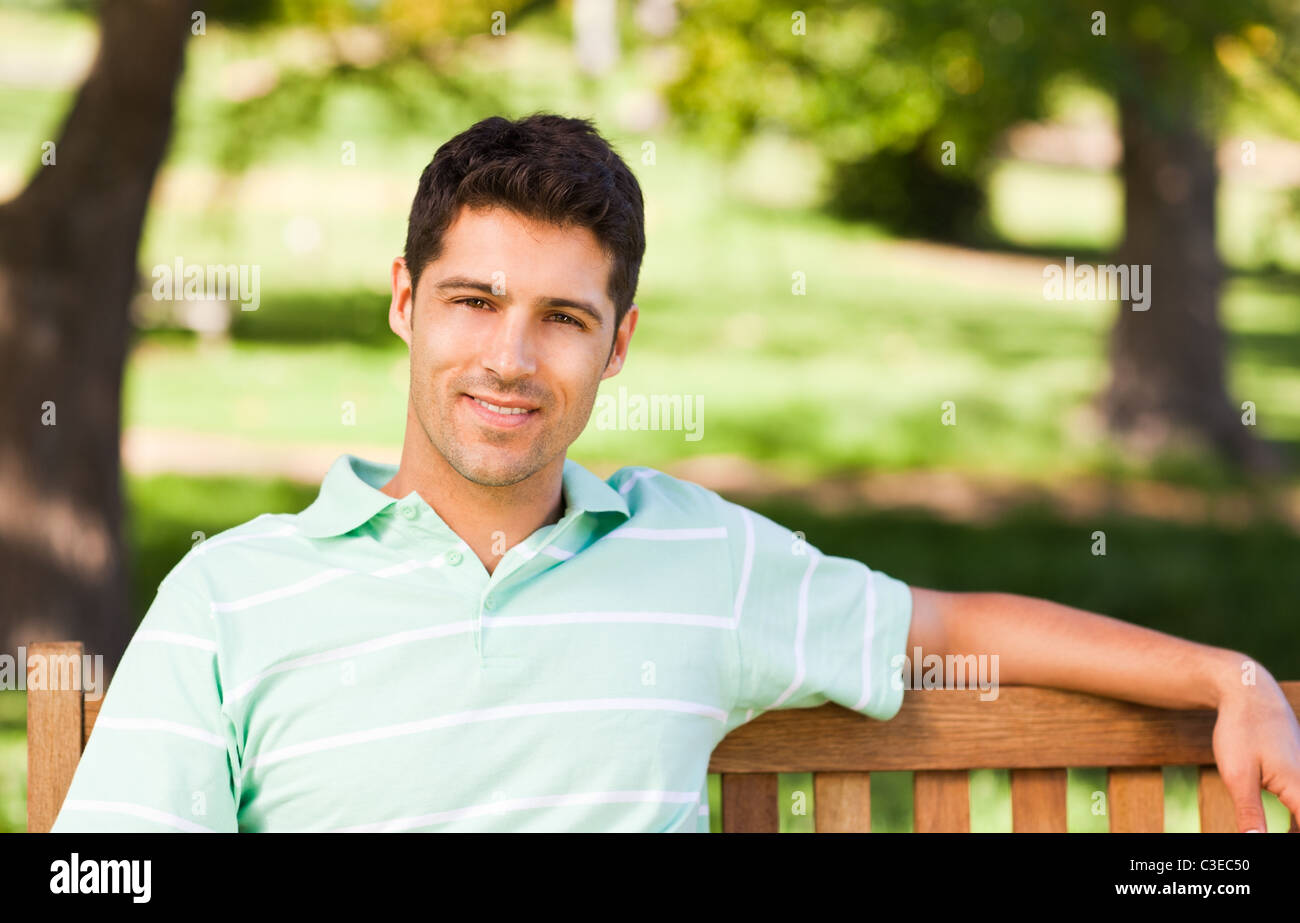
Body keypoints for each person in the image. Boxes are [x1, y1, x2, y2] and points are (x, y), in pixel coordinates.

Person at [51, 113, 1300, 833]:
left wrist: (1223, 673)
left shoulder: (697, 559)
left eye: (561, 317)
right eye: (472, 300)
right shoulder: (234, 591)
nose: (508, 357)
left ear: (618, 341)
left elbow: (951, 627)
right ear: (403, 301)